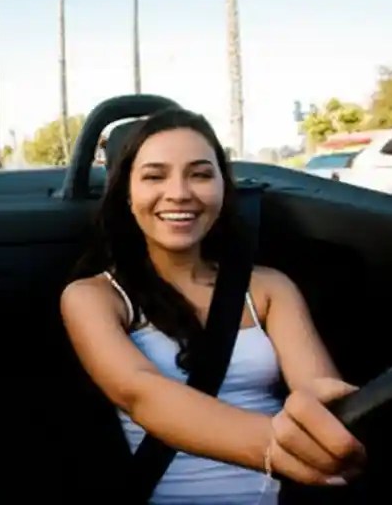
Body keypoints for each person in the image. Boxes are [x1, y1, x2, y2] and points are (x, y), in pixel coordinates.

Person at [60, 106, 366, 504]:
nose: (180, 192)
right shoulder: (94, 297)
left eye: (200, 174)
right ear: (126, 195)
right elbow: (142, 394)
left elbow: (319, 393)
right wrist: (280, 448)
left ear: (223, 187)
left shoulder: (269, 287)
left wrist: (331, 432)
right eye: (154, 176)